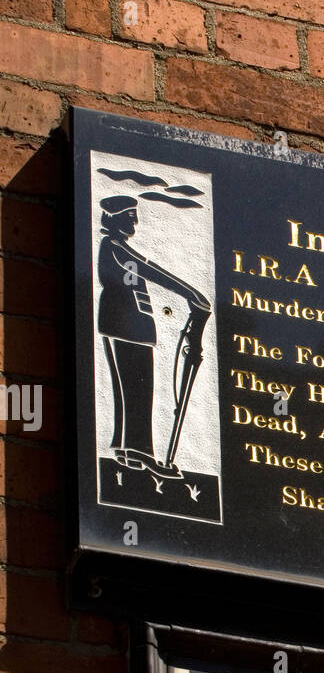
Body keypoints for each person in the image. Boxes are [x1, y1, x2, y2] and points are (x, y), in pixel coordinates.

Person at [97, 194, 210, 477]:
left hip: (135, 328)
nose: (135, 220)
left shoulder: (118, 247)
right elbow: (150, 268)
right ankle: (138, 452)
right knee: (133, 389)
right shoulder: (113, 246)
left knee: (136, 389)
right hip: (124, 327)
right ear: (115, 217)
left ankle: (130, 452)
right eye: (130, 214)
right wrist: (190, 293)